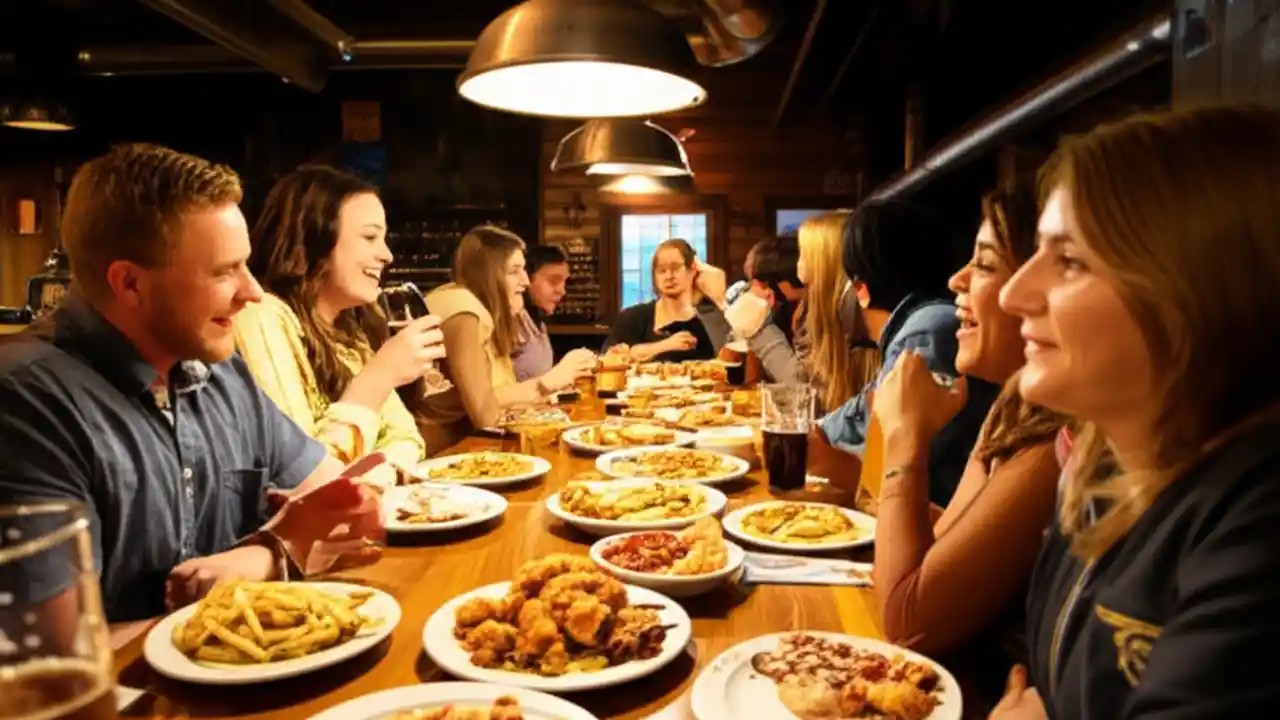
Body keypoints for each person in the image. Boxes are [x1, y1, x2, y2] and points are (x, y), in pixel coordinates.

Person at [991, 105, 1280, 719]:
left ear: (1194, 290)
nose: (1015, 294)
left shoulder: (1258, 513)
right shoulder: (1103, 472)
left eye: (1069, 260)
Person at [0, 143, 357, 622]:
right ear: (130, 284)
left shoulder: (220, 371)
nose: (252, 292)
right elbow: (58, 659)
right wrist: (286, 547)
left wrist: (266, 555)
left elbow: (352, 509)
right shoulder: (27, 403)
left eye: (245, 264)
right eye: (224, 271)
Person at [868, 183, 1066, 708]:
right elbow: (938, 545)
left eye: (983, 263)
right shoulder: (1015, 405)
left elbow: (906, 618)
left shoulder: (1056, 435)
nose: (956, 280)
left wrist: (905, 438)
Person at [234, 165, 444, 489]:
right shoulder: (261, 317)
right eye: (370, 237)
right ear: (315, 238)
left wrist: (363, 481)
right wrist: (380, 375)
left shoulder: (349, 333)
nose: (386, 255)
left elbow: (409, 440)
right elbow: (298, 481)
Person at [817, 200, 999, 505]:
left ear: (859, 288)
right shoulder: (920, 325)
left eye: (985, 265)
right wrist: (814, 434)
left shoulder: (927, 329)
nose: (958, 280)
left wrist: (820, 455)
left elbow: (886, 476)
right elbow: (864, 410)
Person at [417, 226, 594, 452]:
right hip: (437, 458)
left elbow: (499, 400)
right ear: (488, 275)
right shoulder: (464, 312)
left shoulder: (484, 314)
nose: (526, 281)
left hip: (467, 449)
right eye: (514, 271)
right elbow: (486, 415)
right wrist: (547, 383)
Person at [726, 214, 881, 412]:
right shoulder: (817, 309)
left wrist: (758, 328)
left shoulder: (853, 310)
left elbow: (806, 395)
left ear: (823, 261)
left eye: (804, 254)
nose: (797, 265)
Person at [603, 238, 724, 362]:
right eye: (662, 270)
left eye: (675, 268)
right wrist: (665, 345)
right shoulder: (632, 318)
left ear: (693, 271)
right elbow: (608, 358)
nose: (669, 276)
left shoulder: (708, 320)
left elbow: (729, 356)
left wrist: (719, 299)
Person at [513, 244, 570, 381]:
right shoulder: (513, 322)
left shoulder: (539, 323)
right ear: (527, 279)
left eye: (564, 282)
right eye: (553, 281)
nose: (562, 291)